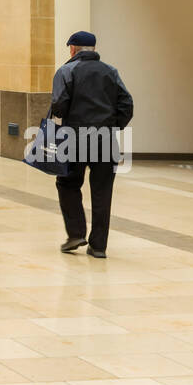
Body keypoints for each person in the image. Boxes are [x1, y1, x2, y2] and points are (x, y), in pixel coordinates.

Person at [52, 31, 134, 259]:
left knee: (67, 183)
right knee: (102, 191)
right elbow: (126, 103)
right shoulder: (111, 71)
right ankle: (98, 247)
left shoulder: (66, 71)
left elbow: (59, 105)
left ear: (72, 49)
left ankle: (76, 233)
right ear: (94, 49)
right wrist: (112, 126)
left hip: (74, 137)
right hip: (105, 138)